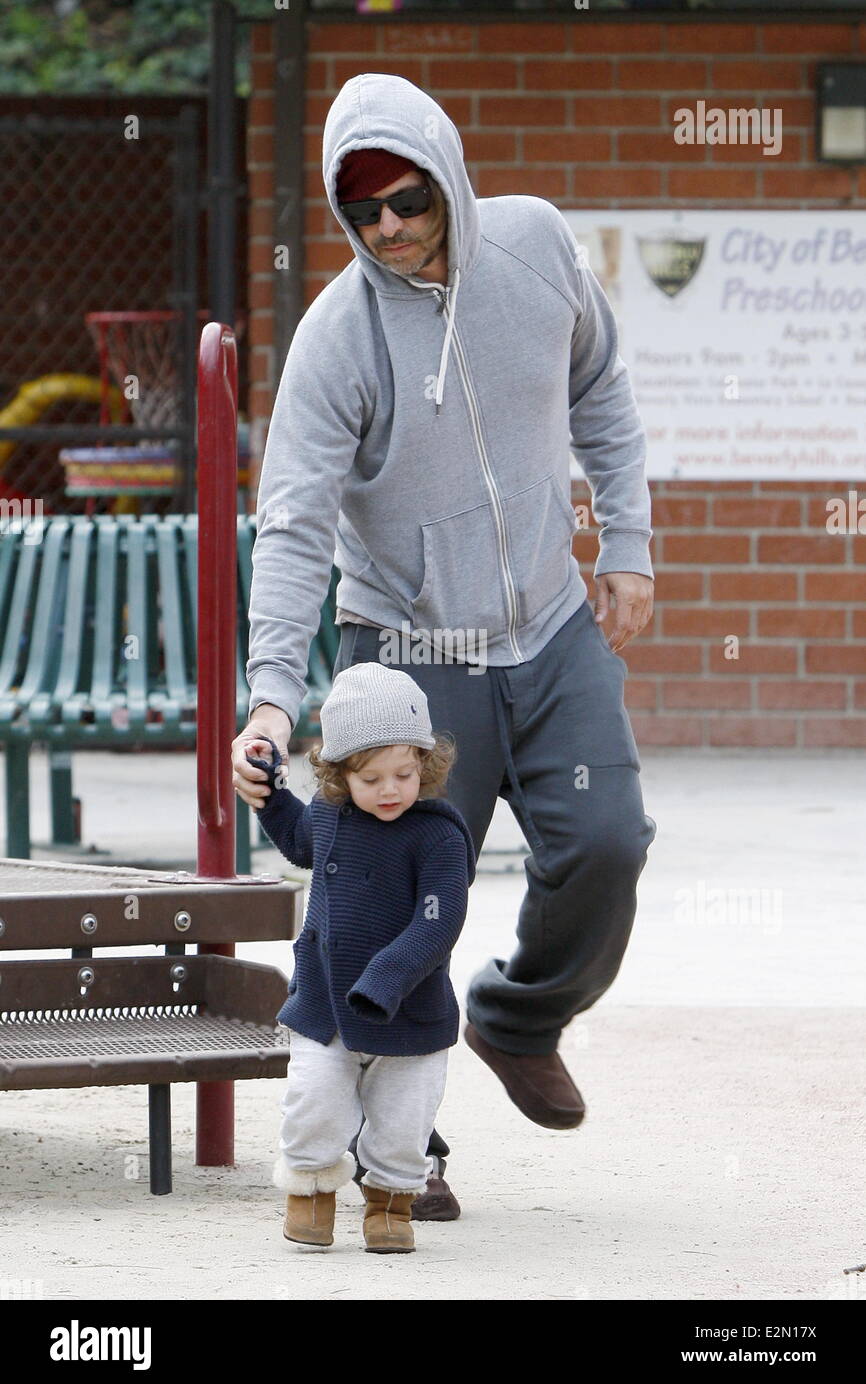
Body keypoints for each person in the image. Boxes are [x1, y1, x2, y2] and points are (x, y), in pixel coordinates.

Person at [232, 72, 657, 1223]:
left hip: (550, 624)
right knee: (382, 901)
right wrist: (273, 693)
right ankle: (399, 1154)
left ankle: (517, 1016)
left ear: (446, 178)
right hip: (412, 654)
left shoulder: (530, 245)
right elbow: (294, 523)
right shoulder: (338, 338)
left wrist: (625, 540)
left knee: (608, 840)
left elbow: (600, 385)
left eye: (409, 200)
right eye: (362, 212)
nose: (390, 230)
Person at [246, 662, 475, 1254]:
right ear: (338, 774)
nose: (391, 789)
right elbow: (300, 838)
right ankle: (312, 1194)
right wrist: (271, 794)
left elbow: (439, 919)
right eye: (370, 779)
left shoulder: (439, 836)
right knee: (313, 1104)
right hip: (326, 1003)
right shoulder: (329, 814)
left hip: (410, 1009)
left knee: (403, 1124)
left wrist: (387, 977)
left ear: (426, 763)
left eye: (404, 772)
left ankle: (391, 1204)